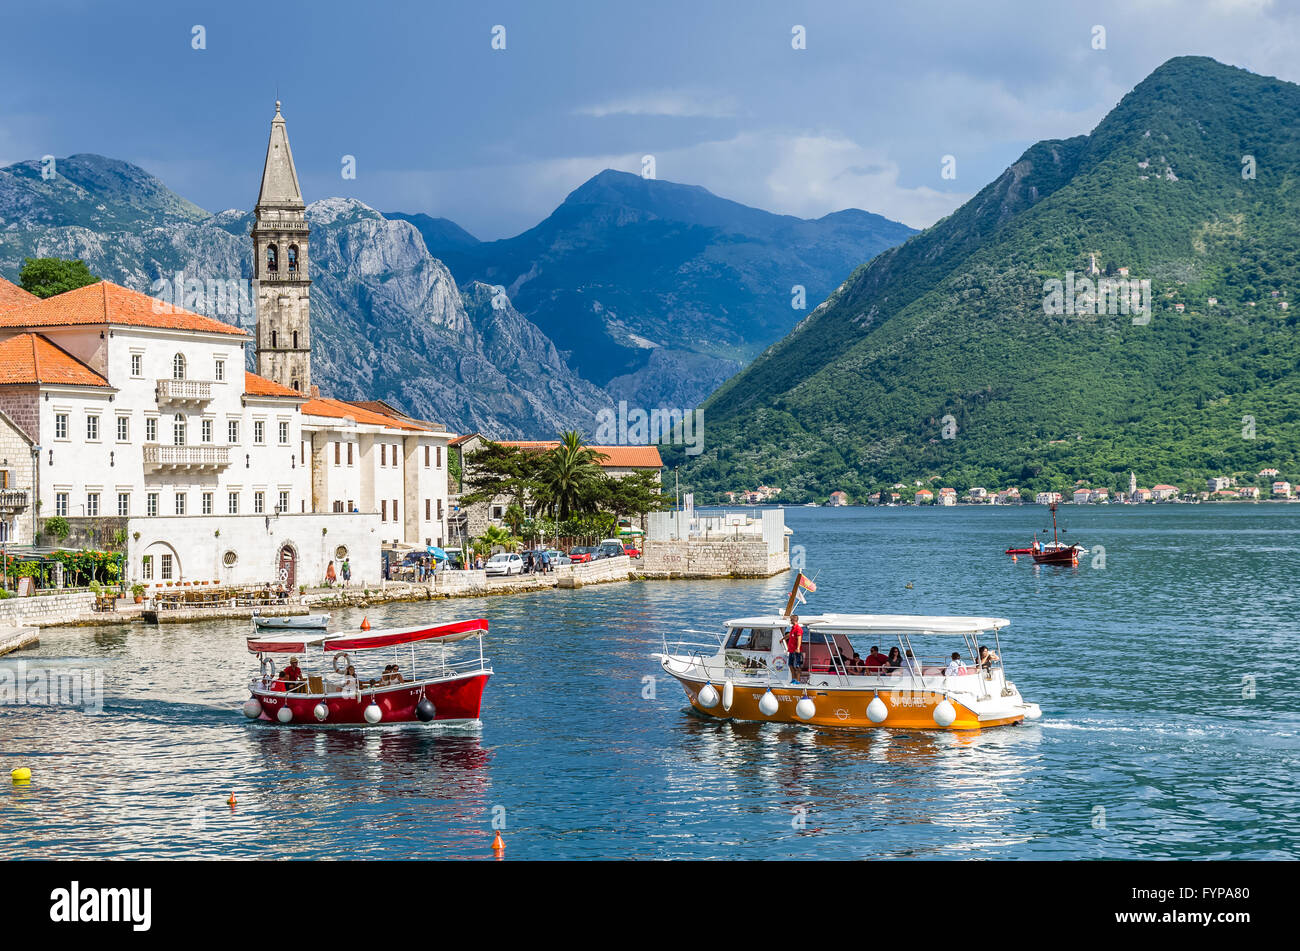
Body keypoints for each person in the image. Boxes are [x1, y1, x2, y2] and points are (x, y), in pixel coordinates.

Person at [783, 615, 805, 682]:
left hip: (796, 651)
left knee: (797, 666)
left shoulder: (798, 629)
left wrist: (798, 648)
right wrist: (782, 639)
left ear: (794, 620)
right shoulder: (793, 628)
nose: (790, 621)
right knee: (790, 665)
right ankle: (793, 679)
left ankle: (798, 681)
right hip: (791, 651)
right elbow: (789, 635)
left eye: (791, 620)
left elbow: (799, 638)